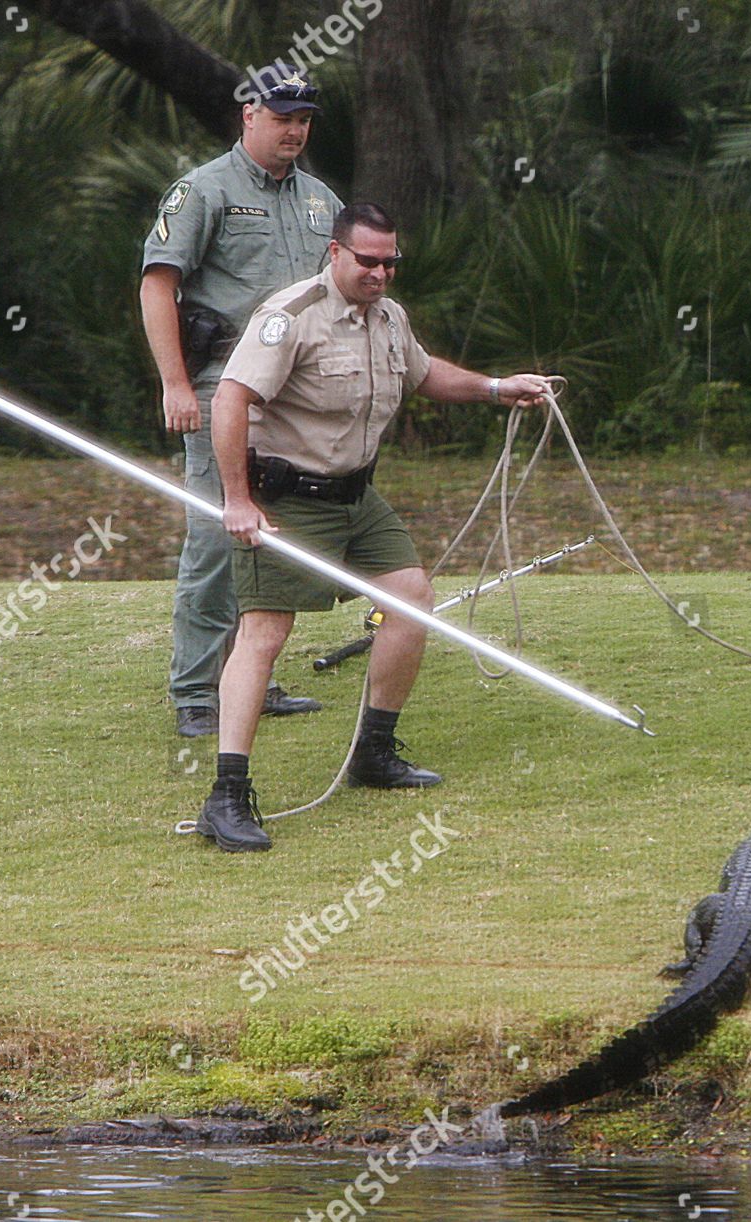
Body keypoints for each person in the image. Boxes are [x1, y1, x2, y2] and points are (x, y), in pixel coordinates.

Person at [194, 202, 552, 852]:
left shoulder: (388, 319)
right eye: (368, 261)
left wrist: (499, 389)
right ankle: (226, 795)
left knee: (411, 595)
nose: (381, 273)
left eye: (390, 262)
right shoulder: (291, 316)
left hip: (356, 497)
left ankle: (374, 750)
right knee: (265, 634)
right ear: (335, 254)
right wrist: (238, 499)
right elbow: (231, 399)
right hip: (286, 496)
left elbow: (424, 373)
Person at [141, 61, 343, 738]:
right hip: (220, 384)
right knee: (212, 537)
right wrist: (174, 383)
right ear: (249, 114)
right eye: (283, 117)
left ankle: (251, 675)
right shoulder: (204, 191)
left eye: (304, 119)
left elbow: (335, 297)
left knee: (272, 538)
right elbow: (157, 285)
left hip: (292, 394)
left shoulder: (321, 202)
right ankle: (197, 692)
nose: (295, 130)